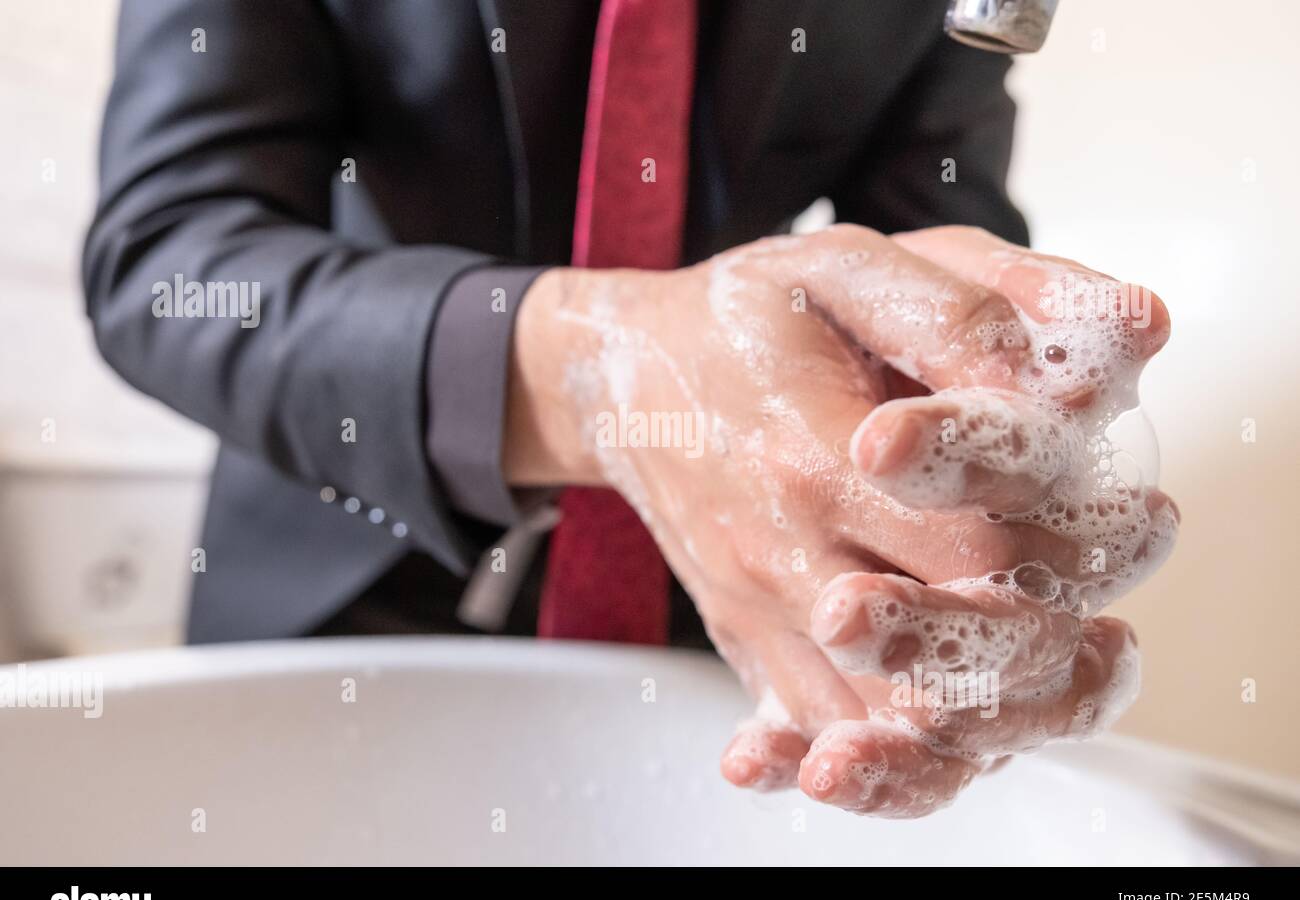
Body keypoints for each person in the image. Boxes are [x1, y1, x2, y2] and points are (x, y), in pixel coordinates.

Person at [82, 0, 1177, 816]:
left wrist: (968, 471)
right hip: (333, 586)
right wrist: (599, 370)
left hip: (717, 642)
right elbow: (165, 260)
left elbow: (930, 251)